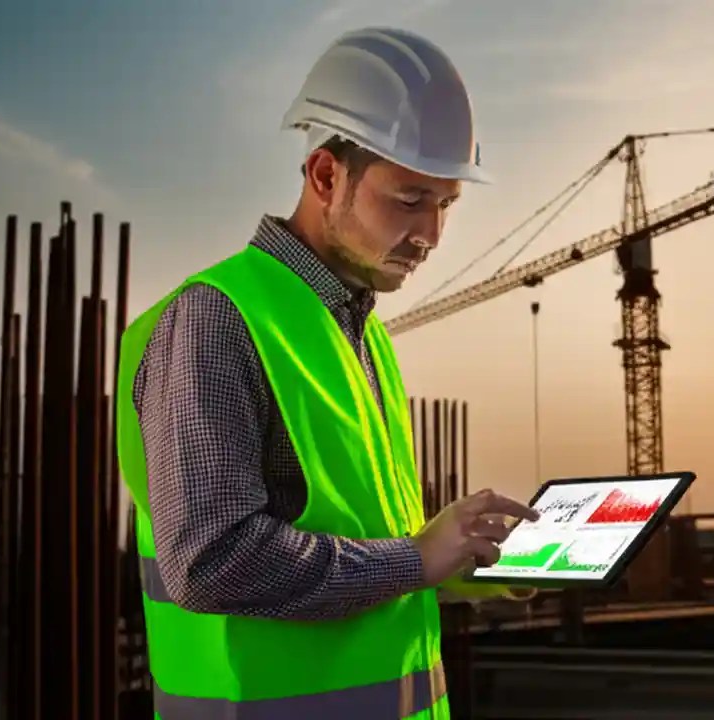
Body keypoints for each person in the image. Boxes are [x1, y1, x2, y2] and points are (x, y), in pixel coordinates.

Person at [114, 26, 540, 719]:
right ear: (324, 175)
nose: (432, 234)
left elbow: (365, 552)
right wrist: (416, 560)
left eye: (446, 205)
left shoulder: (362, 334)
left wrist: (467, 566)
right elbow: (213, 560)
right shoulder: (215, 320)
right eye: (409, 200)